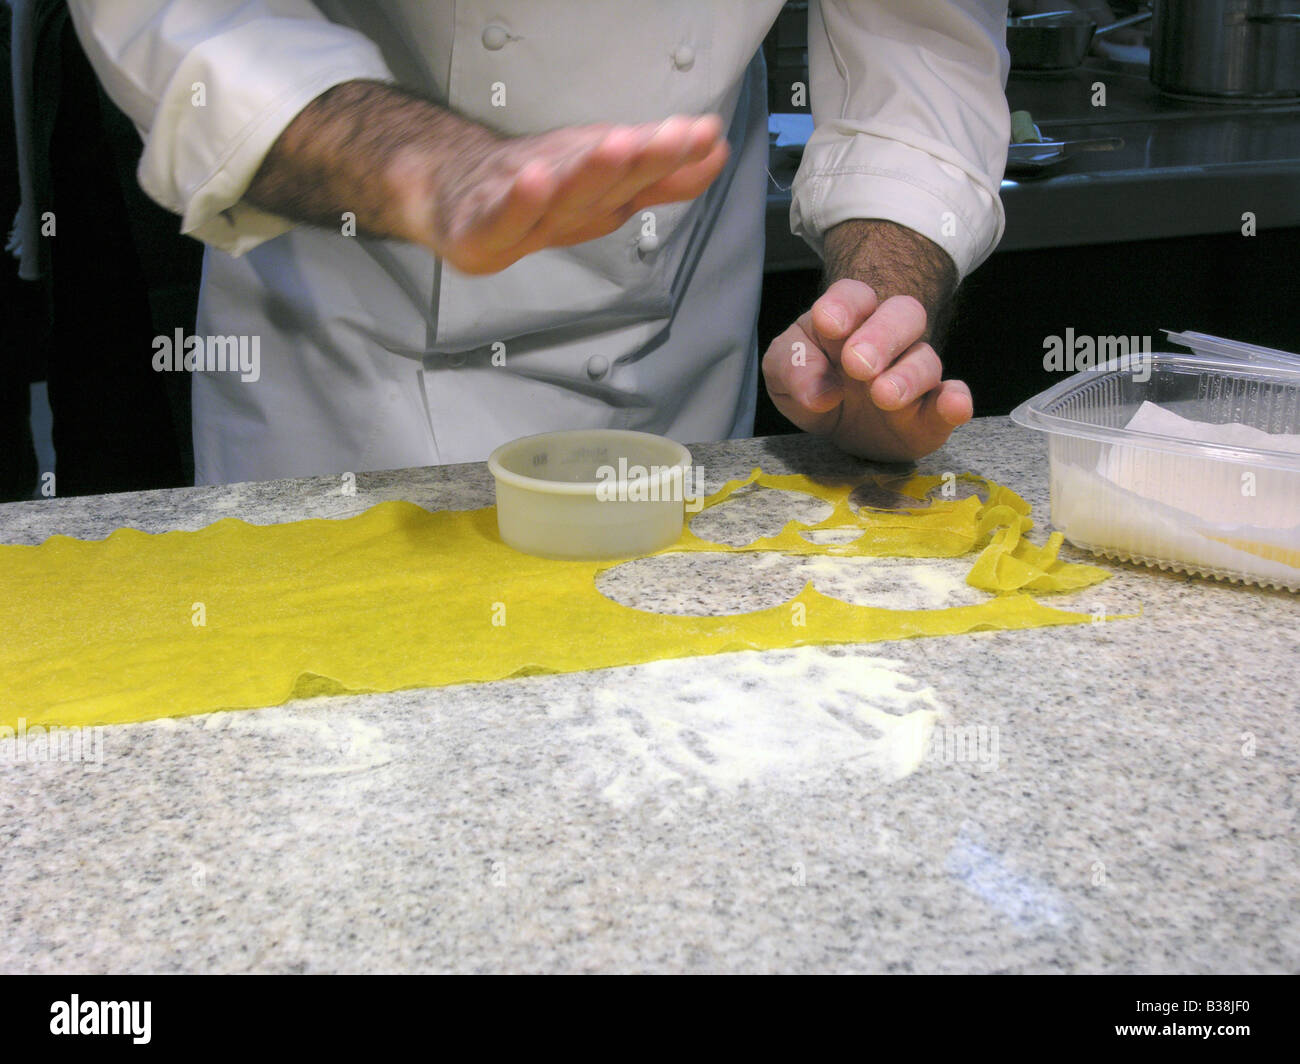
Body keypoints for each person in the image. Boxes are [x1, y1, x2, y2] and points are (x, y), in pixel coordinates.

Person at [67, 1, 1010, 485]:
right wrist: (419, 164)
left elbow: (918, 39)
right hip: (351, 339)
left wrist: (879, 319)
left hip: (675, 335)